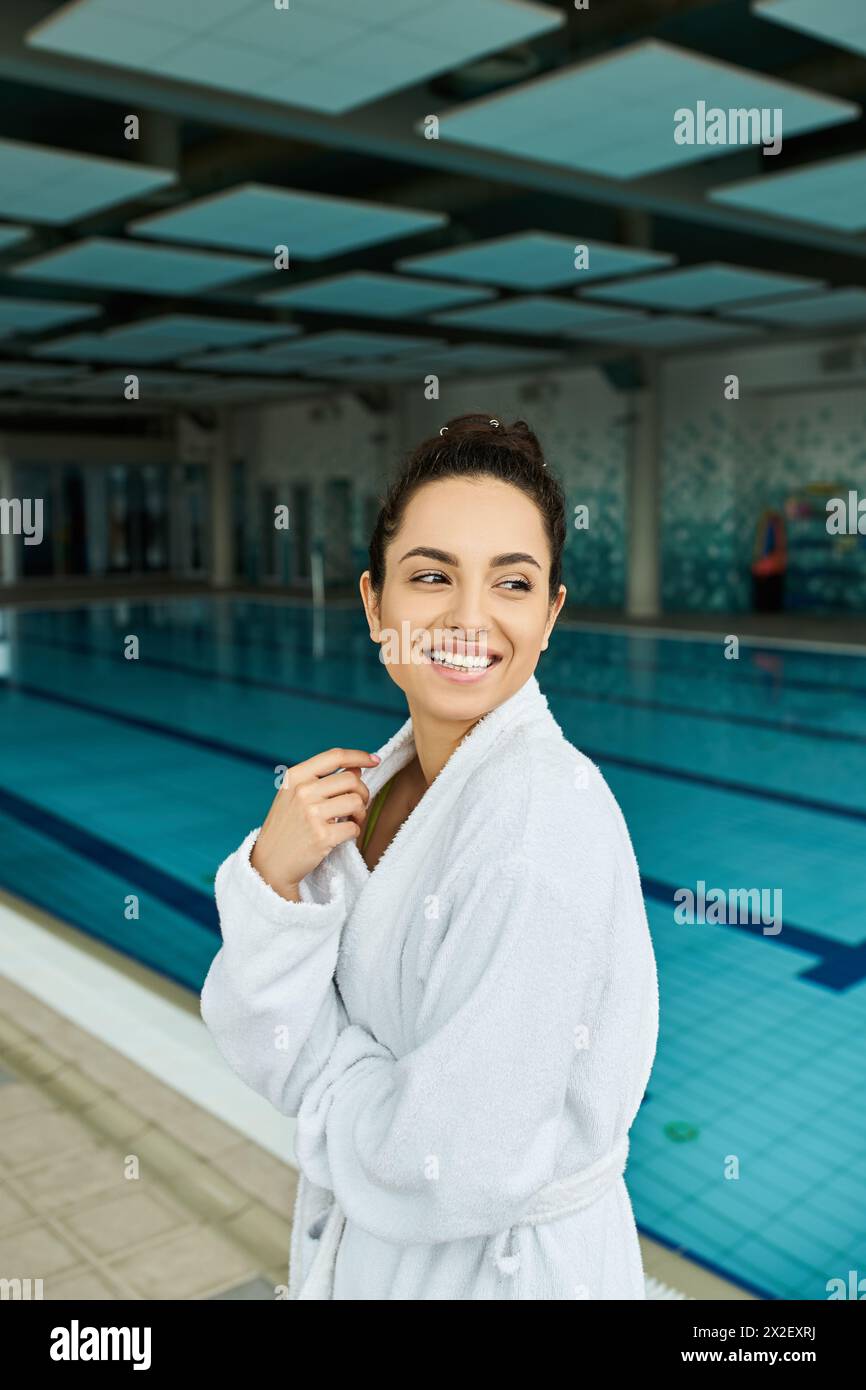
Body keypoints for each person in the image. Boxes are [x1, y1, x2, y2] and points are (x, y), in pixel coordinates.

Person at [200, 413, 659, 1300]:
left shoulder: (539, 826)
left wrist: (330, 1089)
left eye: (512, 583)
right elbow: (265, 1035)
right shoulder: (385, 785)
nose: (469, 618)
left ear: (551, 613)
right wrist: (275, 876)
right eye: (432, 576)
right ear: (375, 603)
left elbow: (451, 1164)